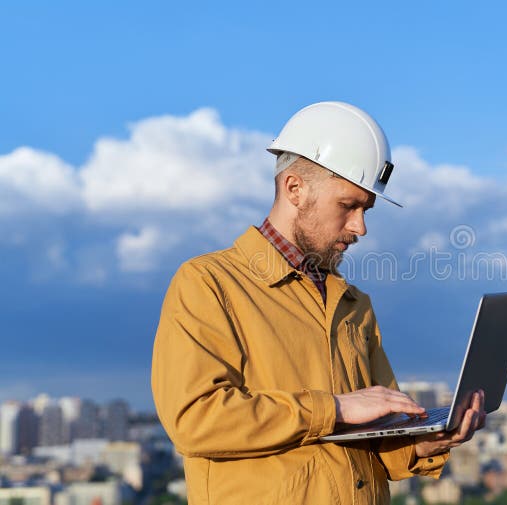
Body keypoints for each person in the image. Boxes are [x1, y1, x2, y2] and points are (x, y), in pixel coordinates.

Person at [151, 101, 486, 505]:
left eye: (366, 209)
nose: (360, 227)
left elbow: (375, 438)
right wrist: (334, 409)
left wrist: (426, 443)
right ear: (295, 188)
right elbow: (195, 420)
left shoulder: (353, 304)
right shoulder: (209, 284)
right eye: (348, 206)